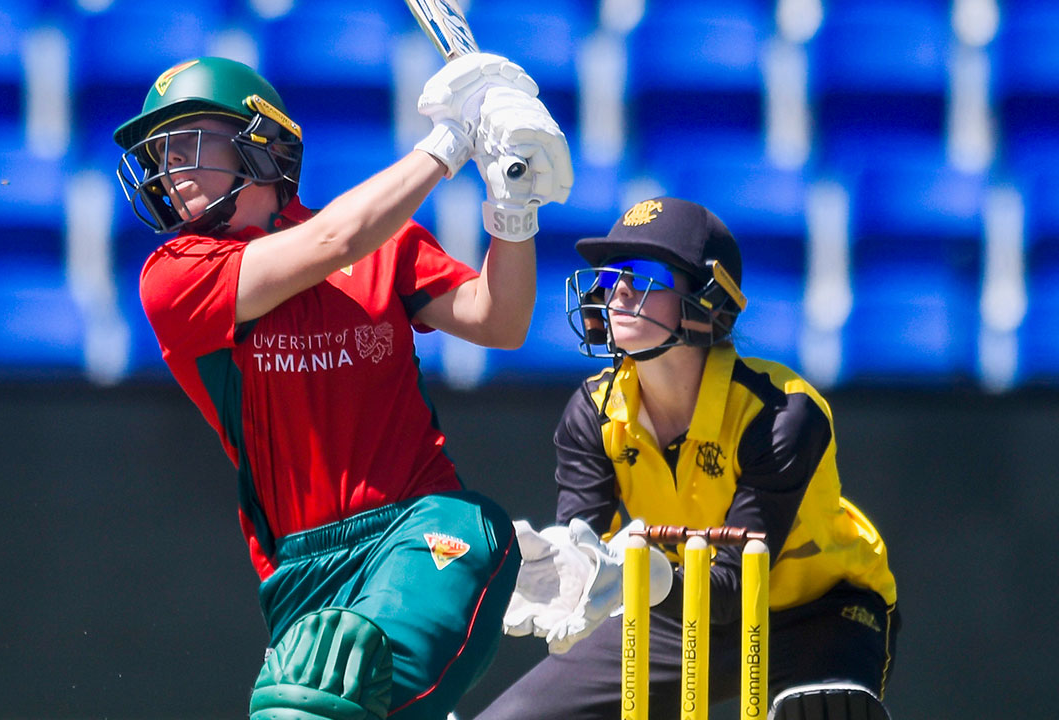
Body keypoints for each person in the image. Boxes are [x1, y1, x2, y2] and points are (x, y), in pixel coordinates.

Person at [112, 54, 572, 720]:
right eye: (162, 149)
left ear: (258, 145)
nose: (168, 167)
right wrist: (450, 143)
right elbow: (334, 239)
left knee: (350, 684)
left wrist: (513, 208)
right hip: (301, 574)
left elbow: (498, 321)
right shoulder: (176, 274)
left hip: (416, 524)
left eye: (190, 143)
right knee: (313, 699)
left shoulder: (384, 244)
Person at [473, 197, 899, 720]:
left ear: (707, 297)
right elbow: (589, 545)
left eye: (645, 272)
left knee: (826, 713)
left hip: (818, 612)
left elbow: (736, 586)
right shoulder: (594, 410)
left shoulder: (784, 415)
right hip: (679, 608)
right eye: (611, 276)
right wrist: (566, 572)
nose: (618, 289)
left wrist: (643, 577)